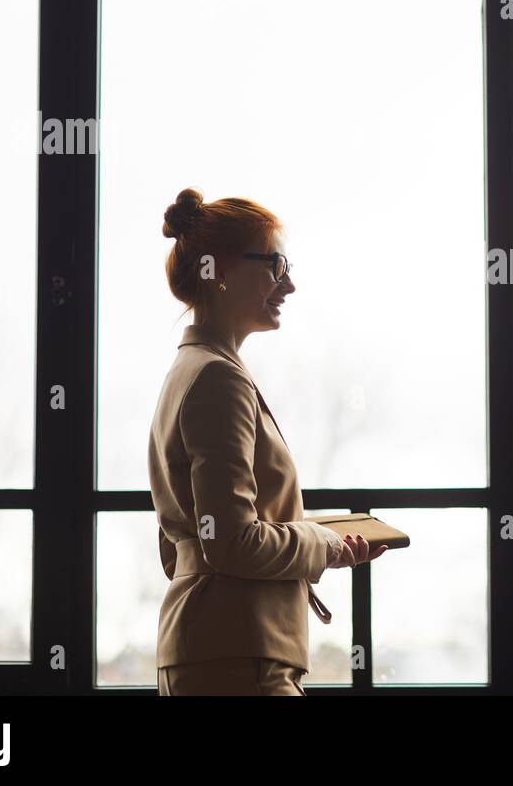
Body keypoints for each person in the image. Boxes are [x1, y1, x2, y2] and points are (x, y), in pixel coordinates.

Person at [149, 187, 386, 696]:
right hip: (239, 659)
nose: (290, 284)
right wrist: (323, 542)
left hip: (218, 651)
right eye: (277, 265)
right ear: (222, 271)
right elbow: (232, 541)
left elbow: (182, 547)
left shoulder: (189, 371)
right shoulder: (219, 379)